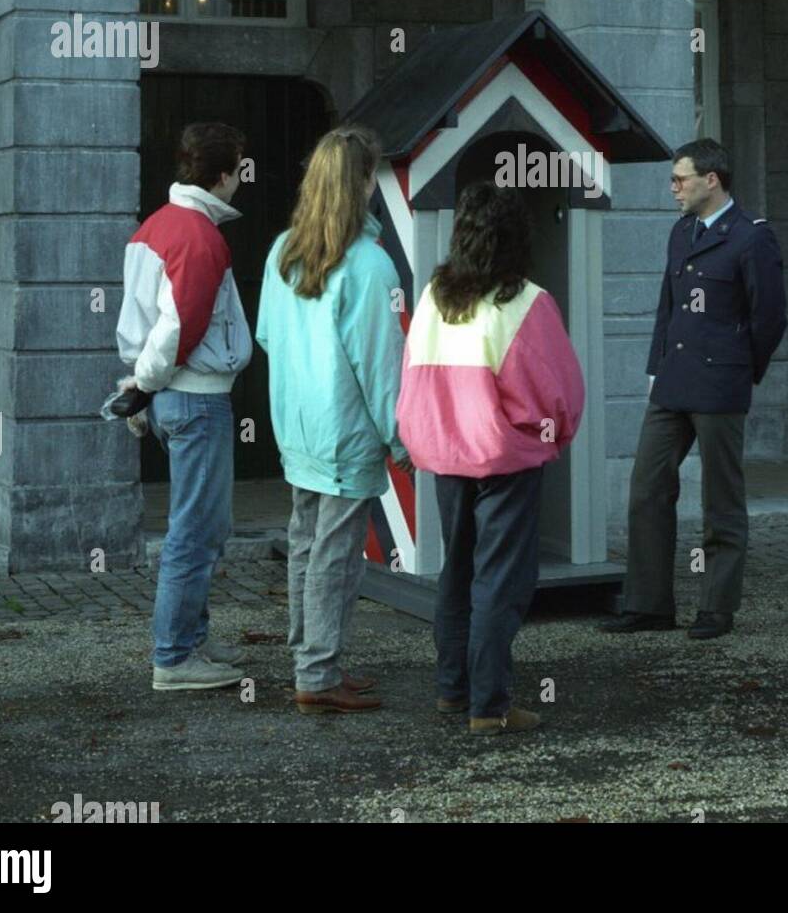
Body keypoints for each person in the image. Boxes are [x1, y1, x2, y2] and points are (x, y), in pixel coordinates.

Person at [396, 181, 584, 736]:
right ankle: (491, 705)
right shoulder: (528, 302)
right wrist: (555, 436)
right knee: (499, 581)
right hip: (505, 456)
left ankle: (452, 692)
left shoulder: (433, 295)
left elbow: (409, 370)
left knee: (456, 572)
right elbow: (559, 392)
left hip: (443, 452)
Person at [600, 138, 787, 641]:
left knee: (721, 501)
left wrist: (741, 368)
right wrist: (654, 368)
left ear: (712, 179)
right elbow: (669, 306)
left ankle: (717, 608)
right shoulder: (681, 232)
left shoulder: (751, 238)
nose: (673, 188)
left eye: (680, 178)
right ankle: (649, 604)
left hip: (720, 383)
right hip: (673, 382)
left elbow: (769, 317)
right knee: (647, 487)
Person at [255, 124, 413, 716]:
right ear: (363, 182)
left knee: (305, 543)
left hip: (296, 426)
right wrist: (402, 440)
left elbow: (268, 336)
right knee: (337, 555)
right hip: (345, 431)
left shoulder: (282, 250)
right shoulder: (371, 266)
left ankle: (311, 659)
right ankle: (317, 674)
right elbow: (381, 367)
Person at [116, 122, 253, 691]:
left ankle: (189, 641)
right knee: (195, 531)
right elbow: (184, 327)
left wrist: (140, 385)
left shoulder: (154, 227)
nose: (243, 179)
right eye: (240, 170)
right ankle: (174, 656)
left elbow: (142, 325)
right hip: (197, 400)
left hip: (173, 397)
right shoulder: (200, 236)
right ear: (222, 175)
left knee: (197, 526)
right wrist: (146, 385)